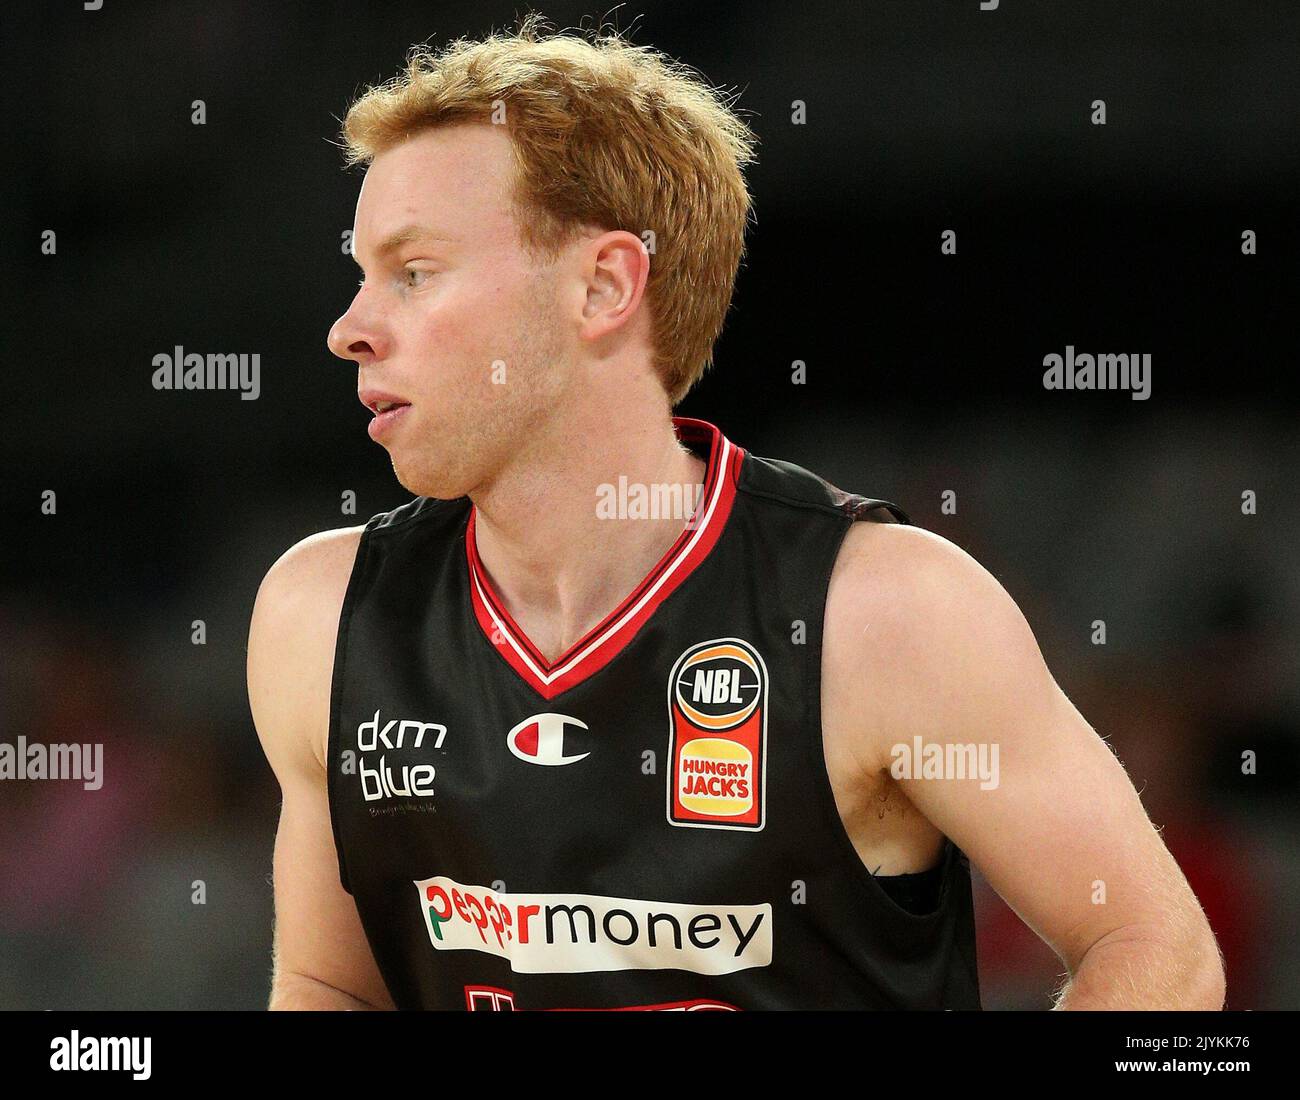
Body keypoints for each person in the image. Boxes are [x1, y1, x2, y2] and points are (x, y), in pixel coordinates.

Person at [247, 15, 1224, 1010]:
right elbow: (332, 984)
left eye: (412, 273)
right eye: (361, 276)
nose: (348, 329)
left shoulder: (883, 609)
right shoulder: (318, 615)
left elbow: (1154, 949)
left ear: (602, 285)